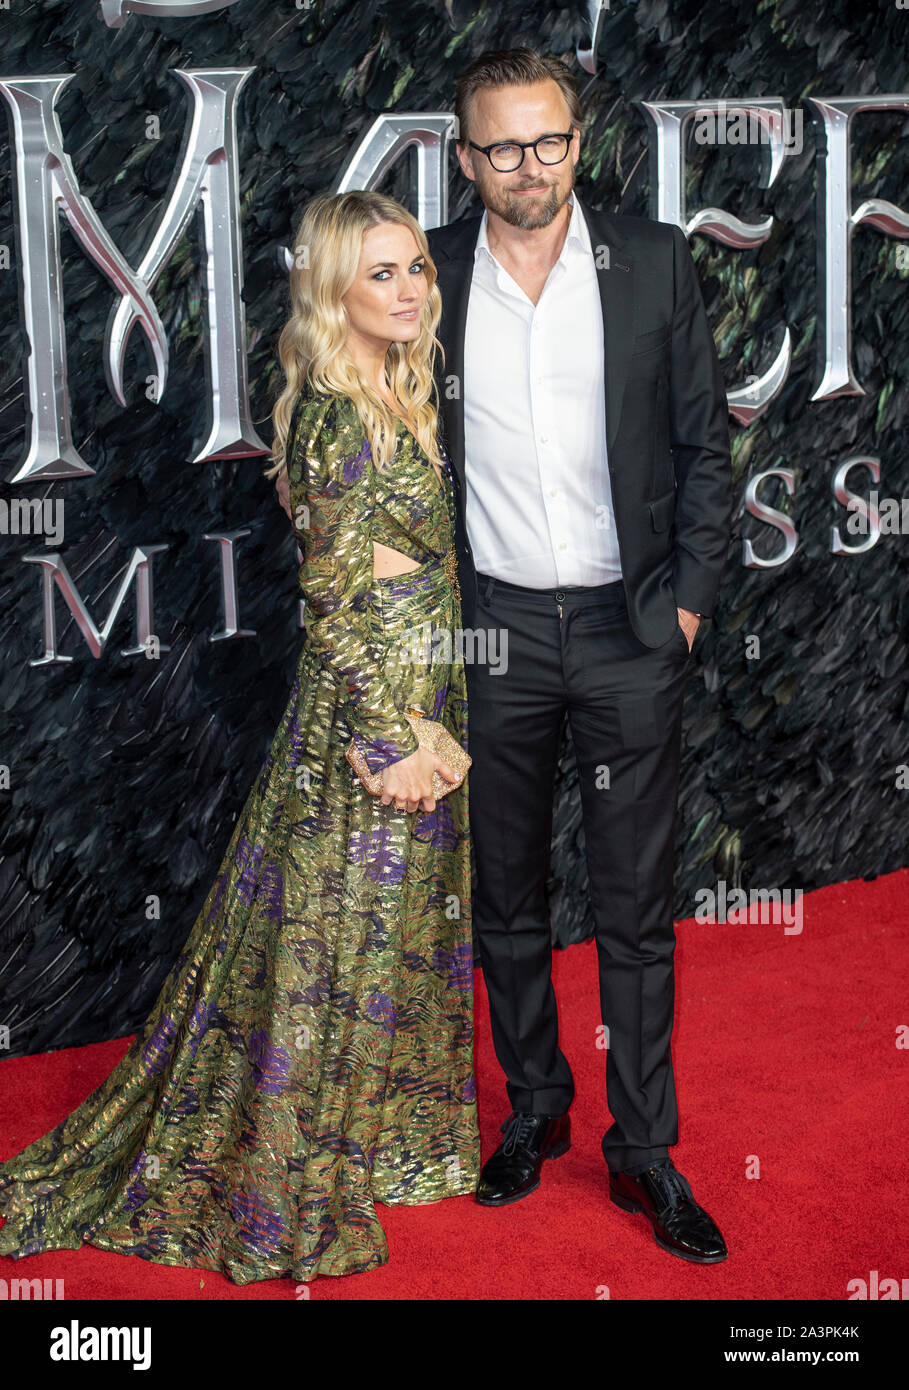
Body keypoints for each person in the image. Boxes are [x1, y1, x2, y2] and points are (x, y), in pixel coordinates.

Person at [0, 190, 480, 1285]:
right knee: (330, 939)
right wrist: (388, 736)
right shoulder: (334, 417)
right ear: (332, 292)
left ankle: (371, 1142)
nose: (408, 290)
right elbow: (337, 602)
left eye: (415, 267)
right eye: (381, 275)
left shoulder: (391, 386)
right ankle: (281, 1179)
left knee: (379, 933)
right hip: (374, 710)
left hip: (418, 685)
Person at [423, 48, 733, 1263]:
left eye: (548, 142)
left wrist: (687, 612)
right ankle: (536, 1109)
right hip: (490, 627)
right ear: (465, 159)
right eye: (502, 148)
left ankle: (646, 1149)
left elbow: (705, 450)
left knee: (635, 906)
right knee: (502, 895)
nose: (529, 168)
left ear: (577, 141)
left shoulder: (652, 262)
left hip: (627, 629)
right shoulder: (427, 281)